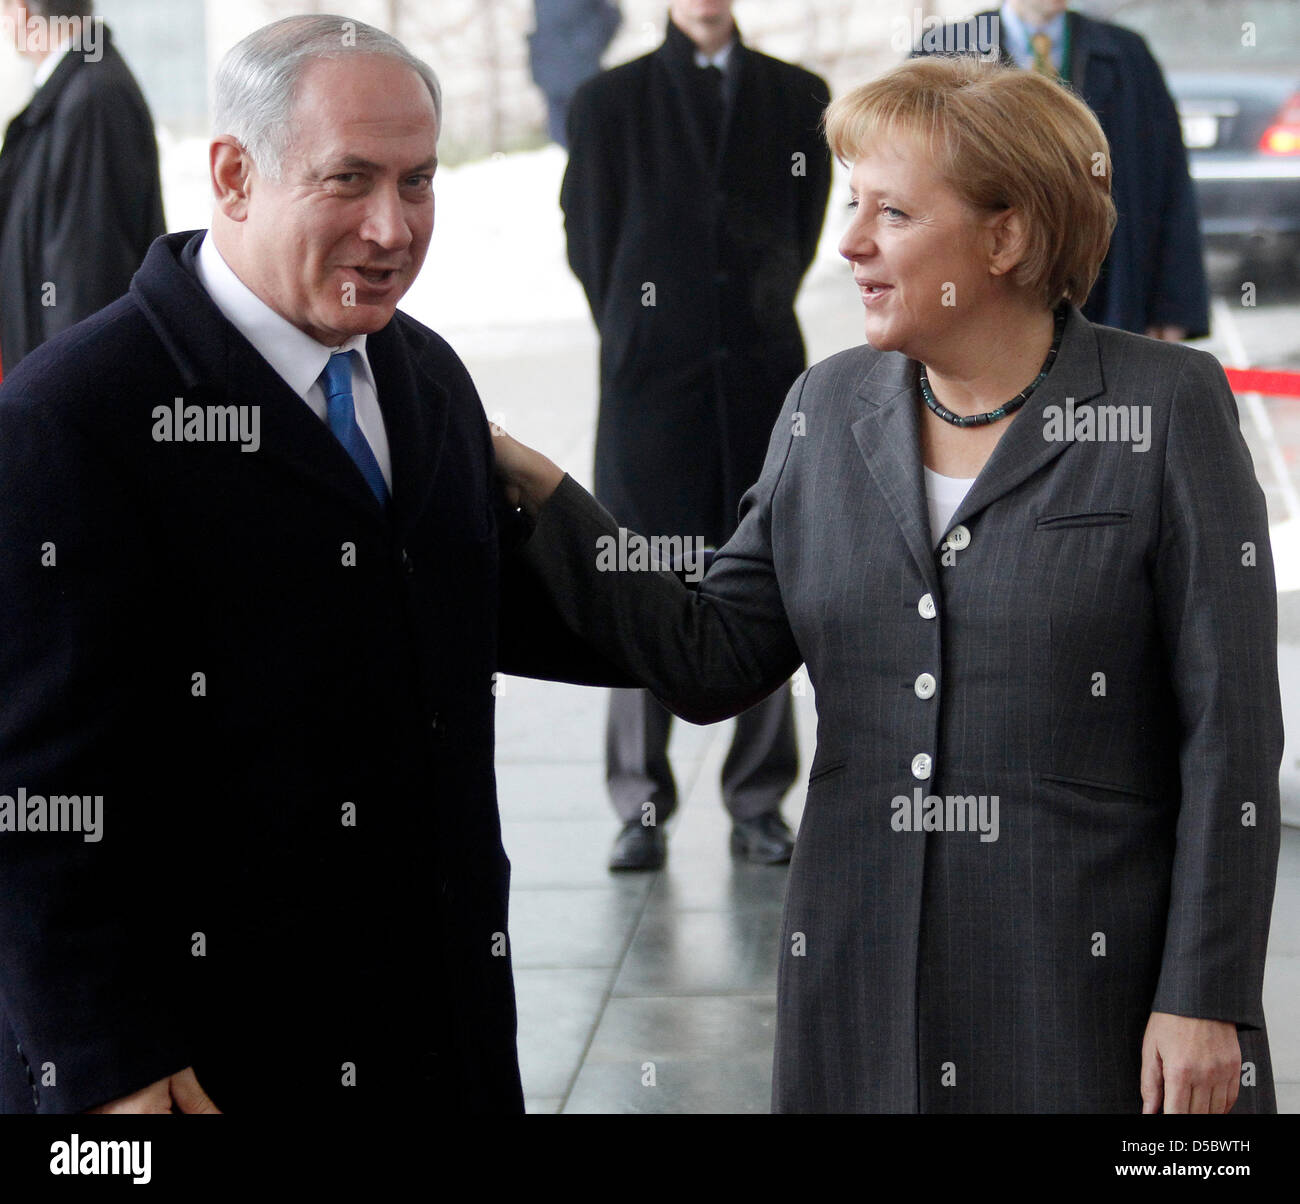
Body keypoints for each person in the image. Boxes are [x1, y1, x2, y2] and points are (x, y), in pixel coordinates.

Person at [496, 55, 1282, 1112]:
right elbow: (709, 652)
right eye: (852, 203)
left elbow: (1230, 732)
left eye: (892, 213)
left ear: (1006, 237)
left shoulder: (1165, 404)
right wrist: (540, 488)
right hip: (860, 988)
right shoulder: (825, 405)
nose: (850, 243)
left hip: (1092, 995)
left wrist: (1206, 994)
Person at [0, 13, 615, 1115]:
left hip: (442, 1041)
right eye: (350, 181)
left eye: (420, 181)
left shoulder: (426, 378)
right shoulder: (70, 417)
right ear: (235, 175)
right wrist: (104, 1060)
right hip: (212, 1061)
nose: (394, 228)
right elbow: (33, 789)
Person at [561, 0, 832, 871]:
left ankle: (758, 802)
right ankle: (639, 801)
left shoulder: (800, 96)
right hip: (653, 380)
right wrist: (649, 323)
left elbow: (802, 225)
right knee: (641, 574)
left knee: (762, 574)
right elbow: (592, 239)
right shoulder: (609, 101)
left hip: (757, 370)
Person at [915, 0, 1209, 341]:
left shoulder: (1126, 54)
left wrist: (1171, 307)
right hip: (982, 291)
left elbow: (1170, 183)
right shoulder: (944, 49)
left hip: (1108, 290)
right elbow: (908, 185)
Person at [0, 0, 165, 375]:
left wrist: (56, 401)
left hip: (68, 393)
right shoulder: (76, 91)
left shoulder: (92, 98)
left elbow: (81, 279)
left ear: (22, 11)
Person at [528, 0, 621, 148]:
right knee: (570, 134)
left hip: (576, 68)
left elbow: (611, 17)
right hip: (557, 69)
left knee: (587, 133)